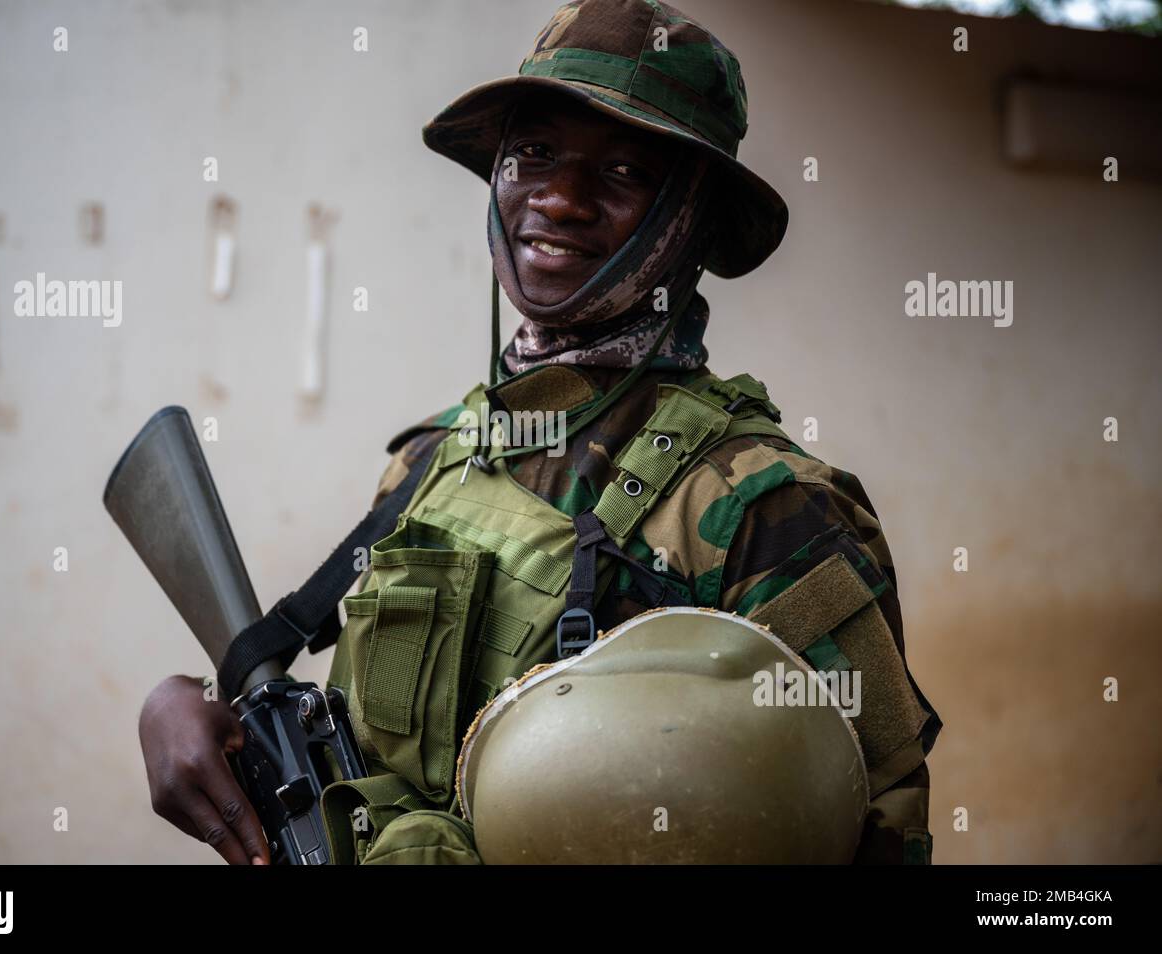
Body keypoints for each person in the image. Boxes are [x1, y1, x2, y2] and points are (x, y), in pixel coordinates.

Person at [138, 0, 941, 866]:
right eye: (534, 154)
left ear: (694, 220)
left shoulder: (767, 507)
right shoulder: (431, 463)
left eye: (626, 170)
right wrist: (187, 711)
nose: (559, 199)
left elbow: (871, 830)